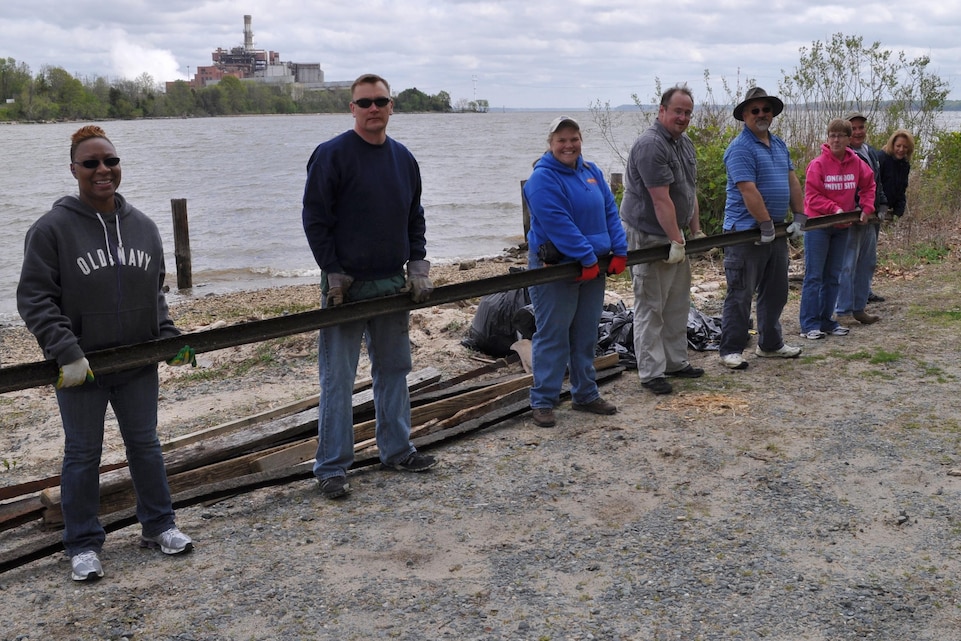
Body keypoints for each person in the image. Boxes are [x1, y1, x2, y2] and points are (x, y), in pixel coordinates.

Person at [17, 125, 194, 582]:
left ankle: (159, 526)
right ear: (73, 169)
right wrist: (66, 352)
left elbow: (154, 292)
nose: (103, 170)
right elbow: (35, 299)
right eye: (91, 162)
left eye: (110, 161)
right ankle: (82, 544)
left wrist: (170, 340)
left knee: (146, 445)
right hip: (83, 370)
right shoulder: (50, 230)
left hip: (137, 364)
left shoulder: (144, 226)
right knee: (82, 455)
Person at [302, 73, 437, 500]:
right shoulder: (331, 155)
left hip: (392, 281)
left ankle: (397, 450)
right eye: (365, 103)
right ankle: (332, 467)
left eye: (381, 101)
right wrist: (332, 271)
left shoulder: (404, 159)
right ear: (352, 109)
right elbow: (315, 219)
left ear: (392, 106)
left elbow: (414, 215)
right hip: (346, 285)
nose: (373, 108)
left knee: (395, 370)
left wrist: (417, 263)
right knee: (338, 378)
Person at [522, 115, 628, 427]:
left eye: (574, 138)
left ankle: (585, 393)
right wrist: (586, 257)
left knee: (584, 333)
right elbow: (558, 224)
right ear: (551, 144)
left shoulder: (592, 171)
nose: (568, 145)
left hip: (592, 267)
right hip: (556, 268)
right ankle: (543, 400)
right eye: (561, 140)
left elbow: (611, 210)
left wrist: (619, 249)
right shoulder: (541, 179)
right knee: (553, 335)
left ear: (581, 140)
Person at [620, 85, 705, 396]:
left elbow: (688, 191)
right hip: (649, 236)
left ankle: (675, 361)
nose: (682, 117)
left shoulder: (684, 144)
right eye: (677, 111)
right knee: (651, 305)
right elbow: (661, 201)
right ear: (662, 111)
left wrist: (694, 232)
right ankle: (651, 372)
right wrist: (675, 241)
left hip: (675, 234)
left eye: (687, 113)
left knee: (677, 303)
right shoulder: (650, 146)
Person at [718, 88, 804, 370]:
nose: (761, 115)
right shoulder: (739, 148)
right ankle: (731, 349)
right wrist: (764, 223)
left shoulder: (779, 145)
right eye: (754, 111)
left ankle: (770, 344)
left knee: (776, 290)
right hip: (746, 232)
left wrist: (800, 215)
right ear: (745, 115)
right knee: (741, 292)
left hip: (776, 231)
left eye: (765, 109)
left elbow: (792, 181)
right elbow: (748, 190)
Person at [799, 118, 877, 339]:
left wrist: (866, 207)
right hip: (819, 227)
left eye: (840, 135)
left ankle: (826, 321)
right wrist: (834, 208)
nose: (835, 139)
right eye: (832, 135)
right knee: (814, 276)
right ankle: (809, 324)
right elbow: (812, 197)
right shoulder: (818, 164)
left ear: (848, 139)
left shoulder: (857, 163)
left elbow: (869, 185)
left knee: (833, 276)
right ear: (827, 138)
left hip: (842, 227)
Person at [835, 111, 888, 326]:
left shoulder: (870, 153)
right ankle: (843, 309)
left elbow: (876, 183)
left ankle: (859, 307)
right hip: (851, 217)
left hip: (871, 215)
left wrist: (882, 203)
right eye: (853, 128)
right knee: (847, 264)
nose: (858, 132)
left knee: (867, 262)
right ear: (846, 133)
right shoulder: (842, 155)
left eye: (861, 127)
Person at [878, 129, 915, 219]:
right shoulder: (881, 159)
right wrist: (882, 204)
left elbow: (901, 189)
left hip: (887, 211)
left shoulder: (904, 165)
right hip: (875, 208)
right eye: (898, 146)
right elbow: (875, 184)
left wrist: (898, 211)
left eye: (905, 147)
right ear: (892, 145)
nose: (901, 149)